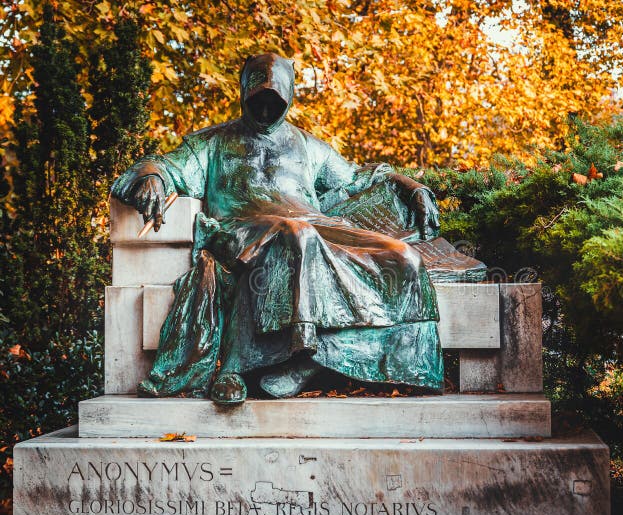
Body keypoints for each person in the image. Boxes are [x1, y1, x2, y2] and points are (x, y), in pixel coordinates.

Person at [111, 53, 444, 404]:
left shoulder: (309, 146)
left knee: (404, 258)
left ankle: (317, 363)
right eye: (259, 100)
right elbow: (163, 165)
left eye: (275, 101)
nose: (266, 110)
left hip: (315, 226)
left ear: (289, 98)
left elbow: (359, 177)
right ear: (243, 95)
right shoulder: (210, 143)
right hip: (240, 230)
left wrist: (411, 186)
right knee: (295, 235)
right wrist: (151, 178)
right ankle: (265, 362)